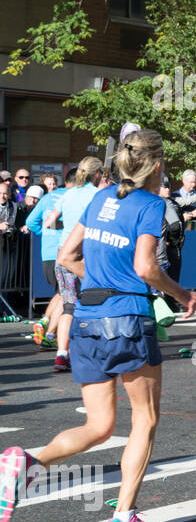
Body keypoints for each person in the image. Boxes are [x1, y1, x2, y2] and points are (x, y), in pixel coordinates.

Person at [0, 129, 196, 522]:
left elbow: (68, 257)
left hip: (88, 318)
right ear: (158, 166)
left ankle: (25, 460)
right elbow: (146, 267)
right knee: (144, 418)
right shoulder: (151, 205)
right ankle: (123, 520)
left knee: (100, 425)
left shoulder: (100, 198)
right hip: (127, 318)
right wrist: (180, 294)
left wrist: (103, 282)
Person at [45, 157, 109, 372]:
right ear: (98, 174)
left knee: (69, 305)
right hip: (87, 256)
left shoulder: (67, 194)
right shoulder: (97, 195)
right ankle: (94, 350)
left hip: (63, 255)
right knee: (97, 302)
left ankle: (61, 354)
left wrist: (67, 225)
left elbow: (49, 222)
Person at [25, 167, 75, 349]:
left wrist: (45, 234)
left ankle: (45, 323)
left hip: (47, 254)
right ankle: (49, 330)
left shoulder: (46, 198)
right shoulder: (74, 198)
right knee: (67, 295)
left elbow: (30, 222)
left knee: (62, 293)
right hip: (65, 253)